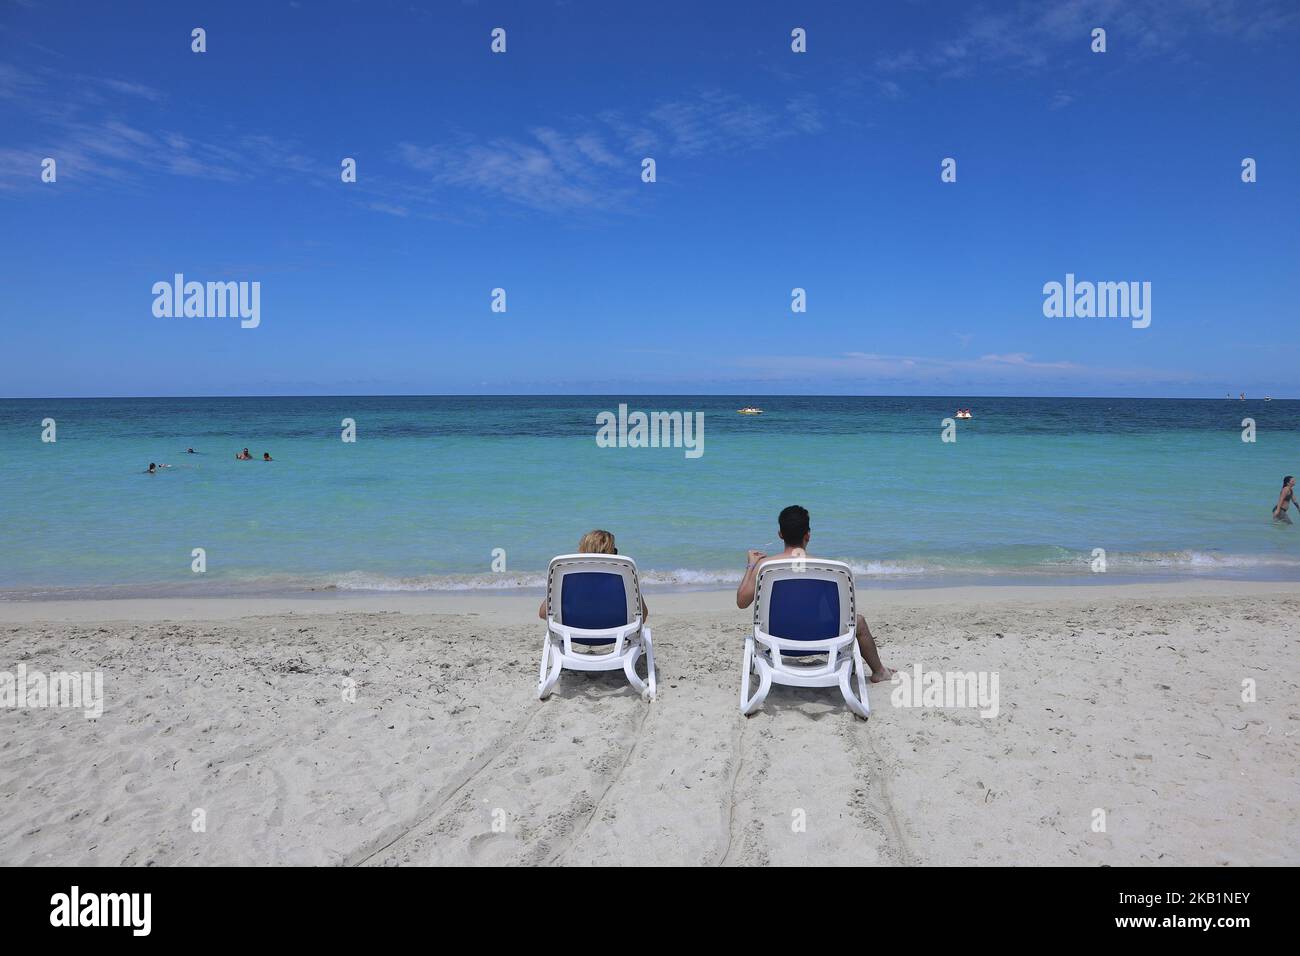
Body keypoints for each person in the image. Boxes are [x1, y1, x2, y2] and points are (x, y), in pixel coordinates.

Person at [736, 505, 894, 683]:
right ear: (808, 535)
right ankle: (879, 671)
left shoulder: (764, 567)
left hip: (774, 640)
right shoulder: (828, 568)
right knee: (859, 621)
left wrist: (750, 565)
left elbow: (742, 601)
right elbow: (835, 610)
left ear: (780, 534)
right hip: (824, 638)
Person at [538, 529, 649, 621]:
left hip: (573, 633)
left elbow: (543, 613)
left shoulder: (568, 578)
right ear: (612, 553)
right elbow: (642, 616)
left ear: (582, 550)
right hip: (616, 633)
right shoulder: (624, 577)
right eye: (614, 550)